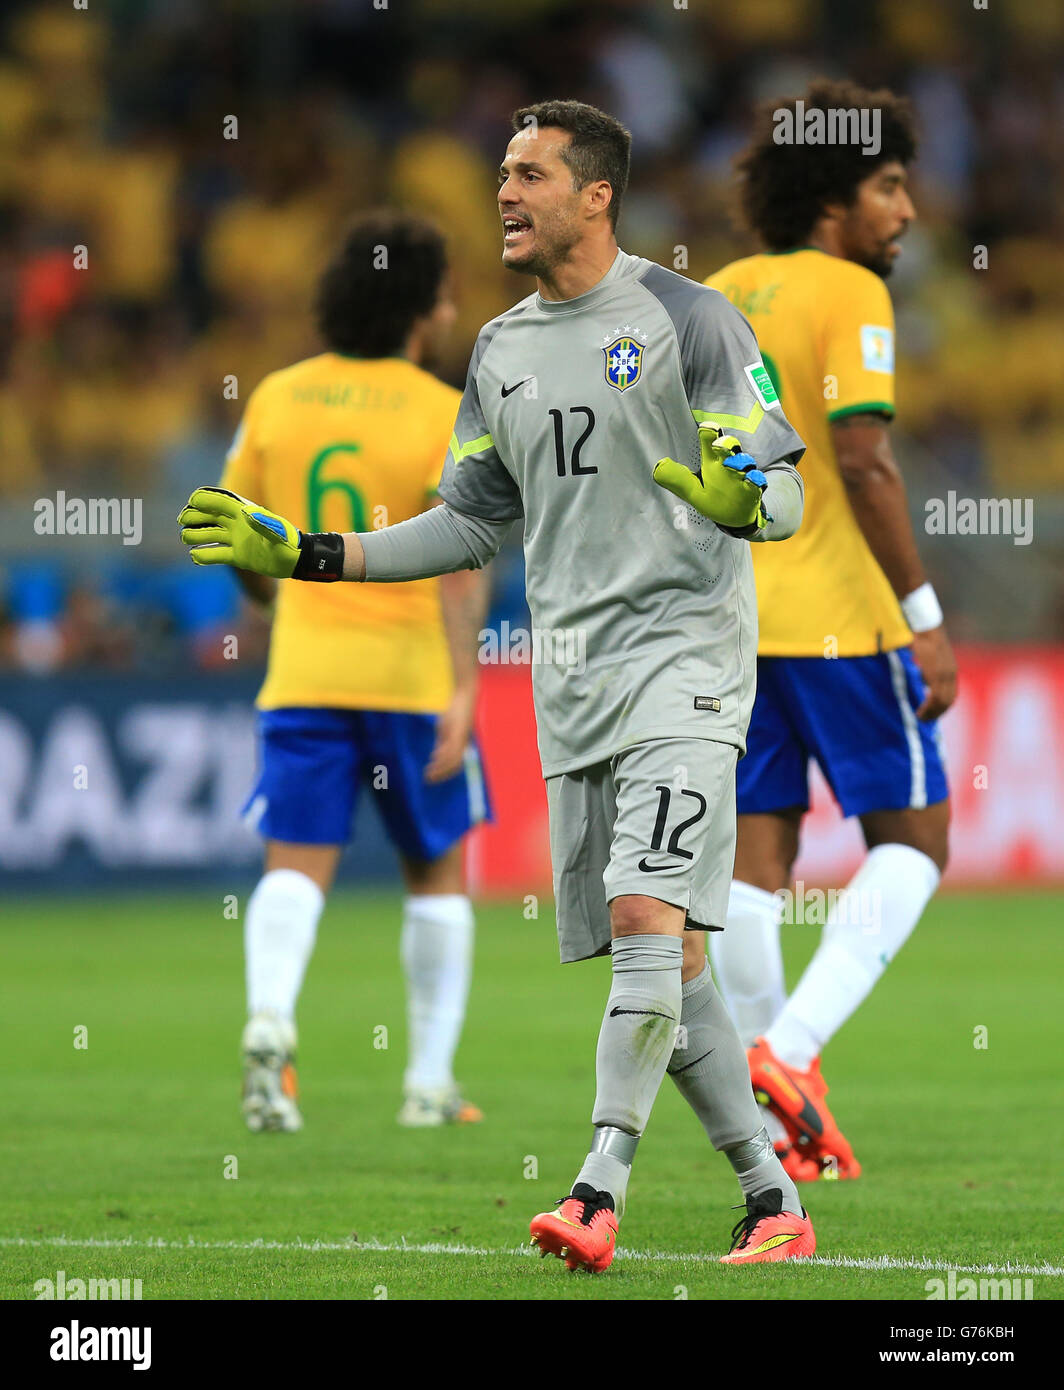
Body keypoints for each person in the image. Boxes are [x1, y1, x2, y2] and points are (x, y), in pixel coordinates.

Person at [181, 100, 813, 1269]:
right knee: (668, 963)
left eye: (528, 174)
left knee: (640, 920)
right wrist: (312, 554)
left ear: (595, 195)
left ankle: (594, 1189)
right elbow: (468, 522)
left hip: (685, 667)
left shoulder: (694, 320)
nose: (503, 195)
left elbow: (780, 484)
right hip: (571, 693)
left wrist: (749, 508)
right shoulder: (502, 352)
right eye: (501, 174)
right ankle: (772, 1199)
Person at [704, 80, 956, 1180]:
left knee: (755, 866)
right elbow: (861, 458)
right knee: (916, 841)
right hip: (841, 625)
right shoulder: (849, 290)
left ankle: (773, 1129)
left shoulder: (707, 294)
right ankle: (791, 1056)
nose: (906, 210)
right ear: (832, 196)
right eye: (889, 185)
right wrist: (925, 618)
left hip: (727, 622)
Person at [218, 211, 490, 1133]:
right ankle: (426, 1083)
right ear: (422, 306)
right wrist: (464, 686)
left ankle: (269, 1022)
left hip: (304, 674)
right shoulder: (441, 409)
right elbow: (460, 558)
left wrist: (270, 603)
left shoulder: (278, 397)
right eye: (446, 291)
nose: (453, 307)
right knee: (437, 873)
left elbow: (237, 535)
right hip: (410, 678)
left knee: (295, 868)